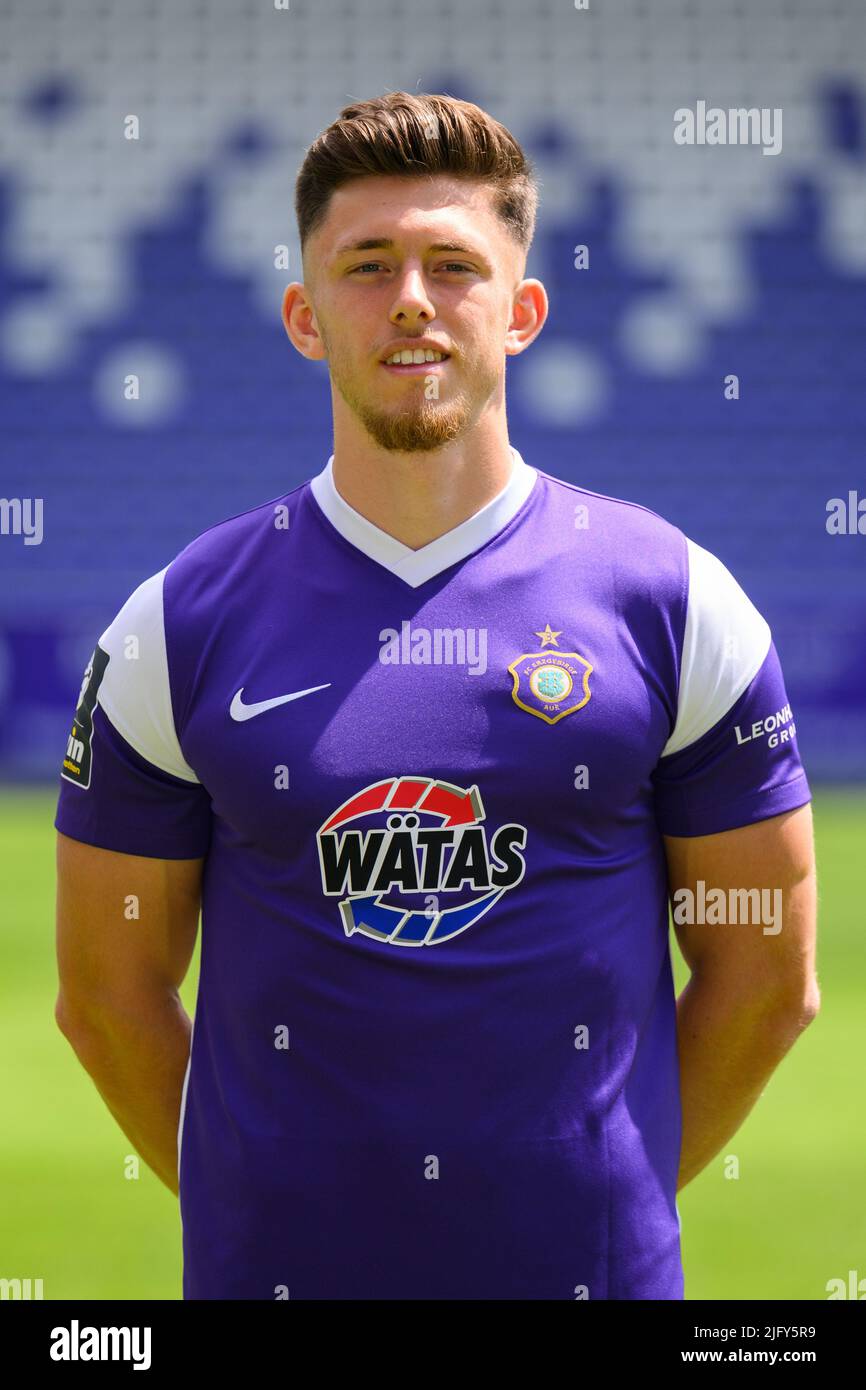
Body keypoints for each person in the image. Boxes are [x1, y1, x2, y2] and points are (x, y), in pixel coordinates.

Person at [54, 90, 819, 1301]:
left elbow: (767, 983)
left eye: (451, 264)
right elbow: (106, 994)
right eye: (367, 265)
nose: (410, 297)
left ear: (520, 312)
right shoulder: (179, 621)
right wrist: (265, 1211)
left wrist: (596, 1196)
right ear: (305, 319)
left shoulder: (672, 599)